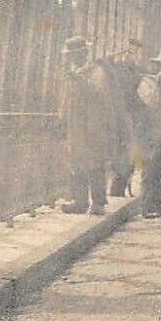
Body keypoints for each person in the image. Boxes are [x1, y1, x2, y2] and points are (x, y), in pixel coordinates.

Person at [58, 36, 113, 215]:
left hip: (93, 125)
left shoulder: (96, 71)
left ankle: (98, 203)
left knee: (95, 162)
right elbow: (68, 97)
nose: (71, 58)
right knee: (76, 161)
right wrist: (62, 117)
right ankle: (80, 201)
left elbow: (99, 93)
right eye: (70, 55)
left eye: (74, 54)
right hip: (76, 125)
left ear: (83, 53)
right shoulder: (75, 70)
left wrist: (79, 80)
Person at [132, 48, 161, 218]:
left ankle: (157, 205)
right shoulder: (147, 82)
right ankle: (146, 208)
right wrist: (158, 83)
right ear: (156, 66)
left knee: (159, 170)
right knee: (148, 170)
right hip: (149, 130)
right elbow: (148, 102)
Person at [102, 38, 144, 198]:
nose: (132, 55)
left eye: (136, 52)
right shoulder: (117, 68)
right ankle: (117, 190)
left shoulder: (137, 71)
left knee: (130, 155)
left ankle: (121, 187)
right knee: (123, 154)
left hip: (133, 117)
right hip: (121, 117)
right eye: (130, 51)